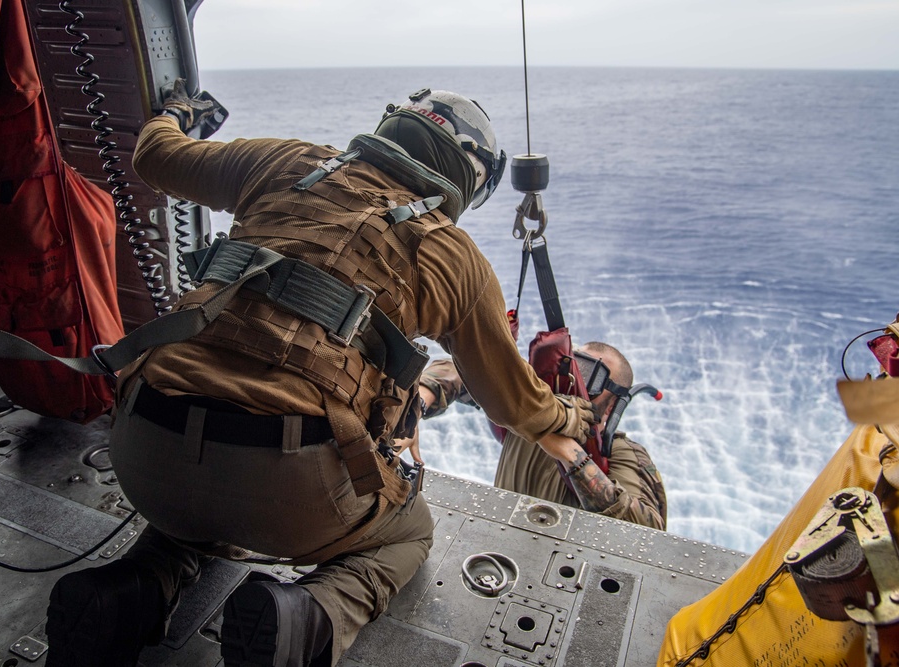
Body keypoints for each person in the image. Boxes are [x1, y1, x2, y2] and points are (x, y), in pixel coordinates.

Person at [44, 84, 598, 667]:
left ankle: (135, 588)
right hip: (287, 484)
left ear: (396, 126)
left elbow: (155, 157)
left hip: (142, 444)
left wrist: (177, 113)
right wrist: (566, 414)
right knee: (410, 533)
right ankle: (309, 619)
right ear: (469, 177)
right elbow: (513, 402)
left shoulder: (285, 162)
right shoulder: (452, 253)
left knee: (194, 507)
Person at [409, 342, 667, 529]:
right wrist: (414, 406)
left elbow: (647, 532)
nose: (575, 383)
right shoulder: (527, 412)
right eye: (575, 369)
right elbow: (469, 368)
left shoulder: (622, 451)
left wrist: (569, 453)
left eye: (591, 378)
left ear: (611, 406)